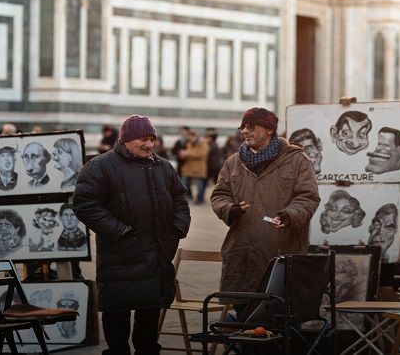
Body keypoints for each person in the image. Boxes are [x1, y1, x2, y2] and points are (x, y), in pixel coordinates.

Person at [73, 114, 190, 355]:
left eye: (152, 139)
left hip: (156, 255)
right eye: (143, 139)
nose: (149, 144)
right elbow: (85, 204)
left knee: (149, 316)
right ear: (126, 139)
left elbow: (180, 199)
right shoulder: (101, 165)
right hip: (120, 256)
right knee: (117, 315)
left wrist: (177, 229)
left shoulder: (163, 166)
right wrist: (120, 231)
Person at [210, 107, 319, 315]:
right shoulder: (233, 162)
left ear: (269, 130)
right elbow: (219, 195)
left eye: (251, 127)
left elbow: (308, 197)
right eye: (243, 127)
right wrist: (229, 209)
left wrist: (289, 215)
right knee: (245, 317)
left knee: (280, 318)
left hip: (281, 250)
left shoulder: (297, 160)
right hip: (242, 253)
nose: (245, 131)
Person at [179, 131, 208, 204]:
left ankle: (199, 199)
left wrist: (186, 153)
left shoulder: (203, 144)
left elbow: (200, 154)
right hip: (188, 167)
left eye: (192, 137)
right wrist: (182, 155)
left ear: (196, 136)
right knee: (184, 183)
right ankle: (188, 196)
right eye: (189, 137)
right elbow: (186, 154)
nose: (190, 139)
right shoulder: (189, 144)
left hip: (198, 168)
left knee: (199, 184)